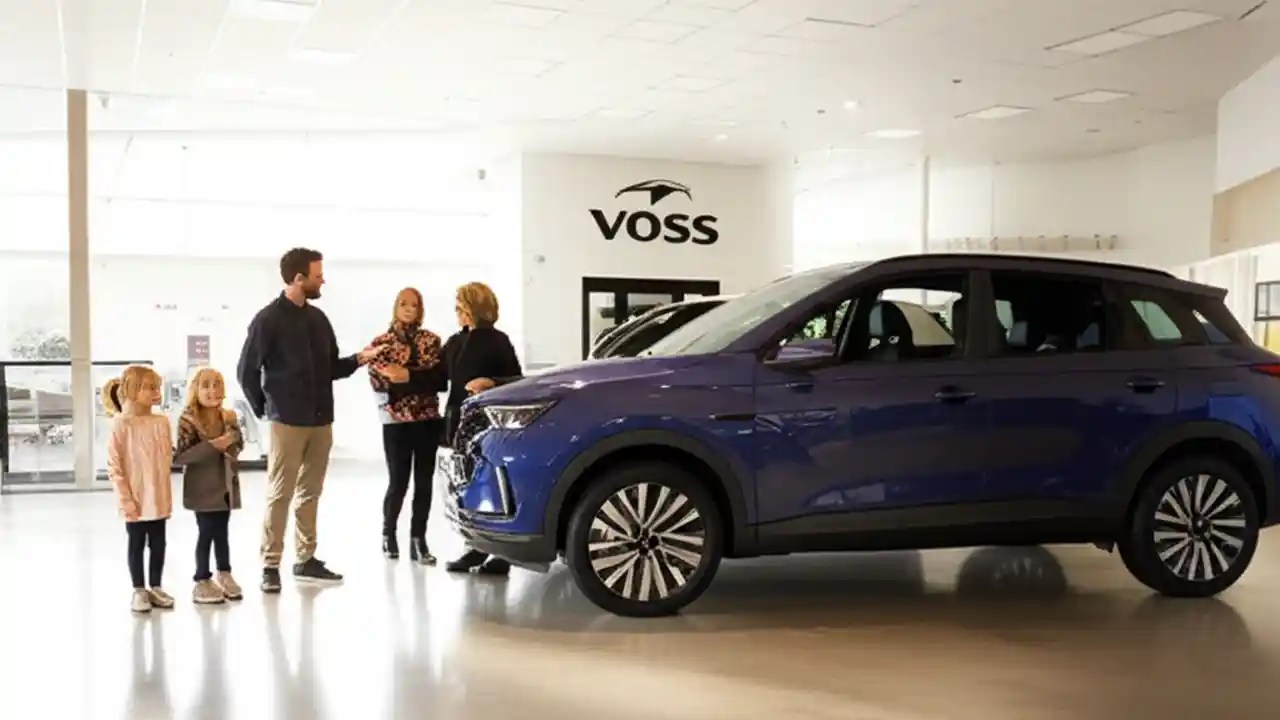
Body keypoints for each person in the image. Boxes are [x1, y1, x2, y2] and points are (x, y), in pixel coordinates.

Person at [237, 247, 382, 594]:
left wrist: (360, 359)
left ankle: (305, 558)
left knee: (310, 492)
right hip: (287, 421)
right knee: (280, 493)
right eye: (318, 276)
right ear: (299, 278)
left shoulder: (319, 320)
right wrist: (265, 408)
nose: (323, 281)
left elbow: (331, 368)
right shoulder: (267, 320)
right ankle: (270, 564)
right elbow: (246, 371)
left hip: (320, 420)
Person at [442, 282, 524, 575]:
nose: (457, 313)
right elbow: (439, 377)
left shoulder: (498, 340)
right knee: (463, 486)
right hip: (460, 422)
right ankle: (475, 546)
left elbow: (517, 380)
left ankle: (499, 552)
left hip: (488, 423)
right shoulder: (455, 342)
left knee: (489, 484)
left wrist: (491, 383)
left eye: (460, 307)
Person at [367, 287, 447, 565]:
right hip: (396, 421)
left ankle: (418, 539)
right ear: (395, 307)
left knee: (424, 483)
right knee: (398, 482)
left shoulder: (432, 341)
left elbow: (440, 380)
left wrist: (406, 376)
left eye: (414, 304)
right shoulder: (381, 343)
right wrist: (417, 378)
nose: (409, 309)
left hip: (427, 419)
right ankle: (388, 533)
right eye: (403, 304)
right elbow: (382, 383)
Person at [103, 365, 175, 614]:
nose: (156, 393)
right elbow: (115, 466)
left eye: (157, 387)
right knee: (136, 543)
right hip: (134, 497)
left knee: (159, 543)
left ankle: (155, 586)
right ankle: (138, 589)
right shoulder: (120, 424)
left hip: (159, 497)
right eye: (149, 388)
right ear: (132, 389)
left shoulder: (162, 422)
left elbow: (166, 459)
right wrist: (125, 499)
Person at [174, 367, 244, 605]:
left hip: (225, 486)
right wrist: (215, 445)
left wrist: (234, 440)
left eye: (217, 384)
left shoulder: (229, 416)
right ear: (195, 390)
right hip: (202, 488)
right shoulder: (188, 420)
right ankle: (202, 578)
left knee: (222, 532)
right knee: (206, 532)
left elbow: (238, 446)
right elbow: (181, 457)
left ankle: (224, 572)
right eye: (206, 385)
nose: (212, 390)